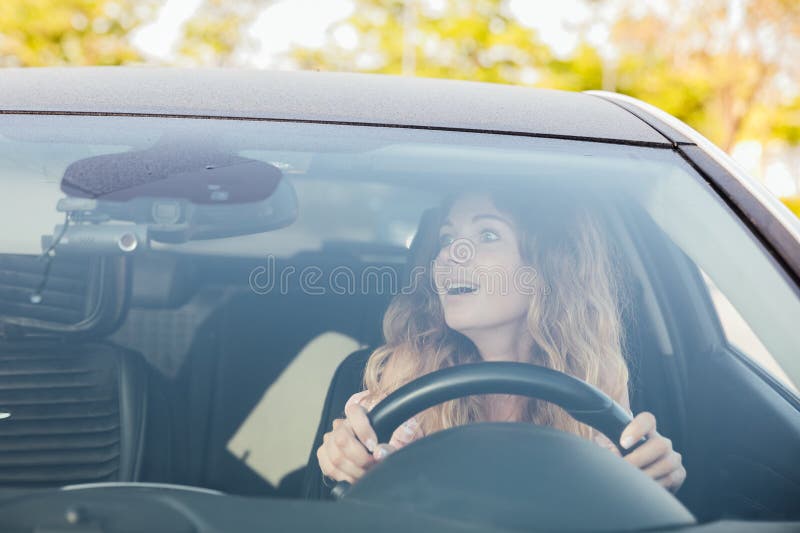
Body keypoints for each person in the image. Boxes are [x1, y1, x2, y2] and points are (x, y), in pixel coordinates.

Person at [311, 188, 686, 496]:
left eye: (487, 234)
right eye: (446, 238)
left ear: (548, 268)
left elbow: (610, 502)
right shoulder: (413, 370)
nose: (447, 255)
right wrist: (348, 458)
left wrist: (652, 476)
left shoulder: (593, 377)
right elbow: (376, 469)